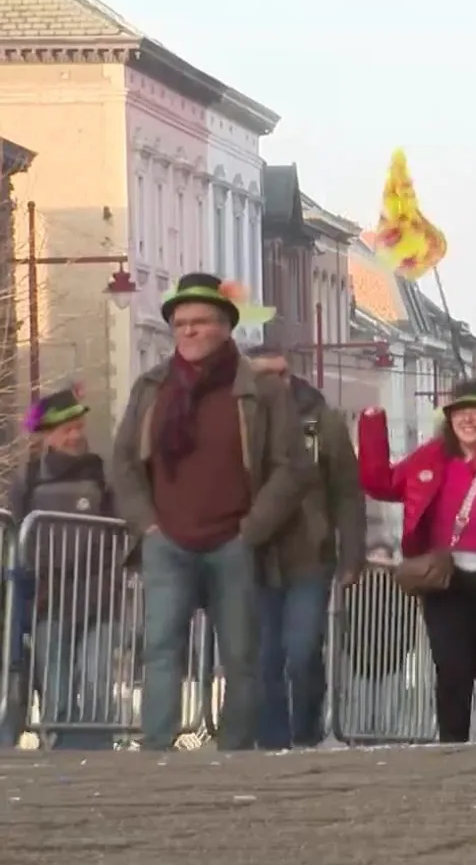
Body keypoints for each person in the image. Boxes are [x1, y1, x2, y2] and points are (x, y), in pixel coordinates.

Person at [110, 273, 308, 752]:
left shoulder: (262, 392)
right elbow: (122, 462)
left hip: (233, 540)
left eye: (200, 322)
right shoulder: (152, 387)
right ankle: (157, 746)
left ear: (226, 327)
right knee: (160, 646)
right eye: (180, 324)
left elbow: (292, 468)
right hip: (167, 539)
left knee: (241, 653)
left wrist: (252, 529)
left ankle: (234, 750)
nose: (189, 332)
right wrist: (147, 524)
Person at [357, 379, 476, 743]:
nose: (467, 420)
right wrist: (372, 424)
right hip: (445, 581)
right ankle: (451, 750)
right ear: (448, 420)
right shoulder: (431, 457)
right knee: (452, 672)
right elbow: (380, 483)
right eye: (459, 413)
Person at [245, 344, 365, 750]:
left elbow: (347, 491)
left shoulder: (321, 420)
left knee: (301, 650)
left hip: (309, 556)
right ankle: (273, 742)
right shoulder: (237, 420)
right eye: (264, 375)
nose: (276, 383)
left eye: (282, 374)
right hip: (254, 555)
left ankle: (306, 730)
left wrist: (352, 553)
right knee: (264, 657)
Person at [4, 386, 122, 750]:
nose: (75, 436)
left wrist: (110, 579)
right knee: (56, 679)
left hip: (99, 597)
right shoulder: (27, 480)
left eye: (79, 427)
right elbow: (13, 534)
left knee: (97, 676)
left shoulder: (101, 476)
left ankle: (98, 745)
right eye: (66, 429)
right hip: (46, 599)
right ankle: (61, 744)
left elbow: (118, 532)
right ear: (47, 436)